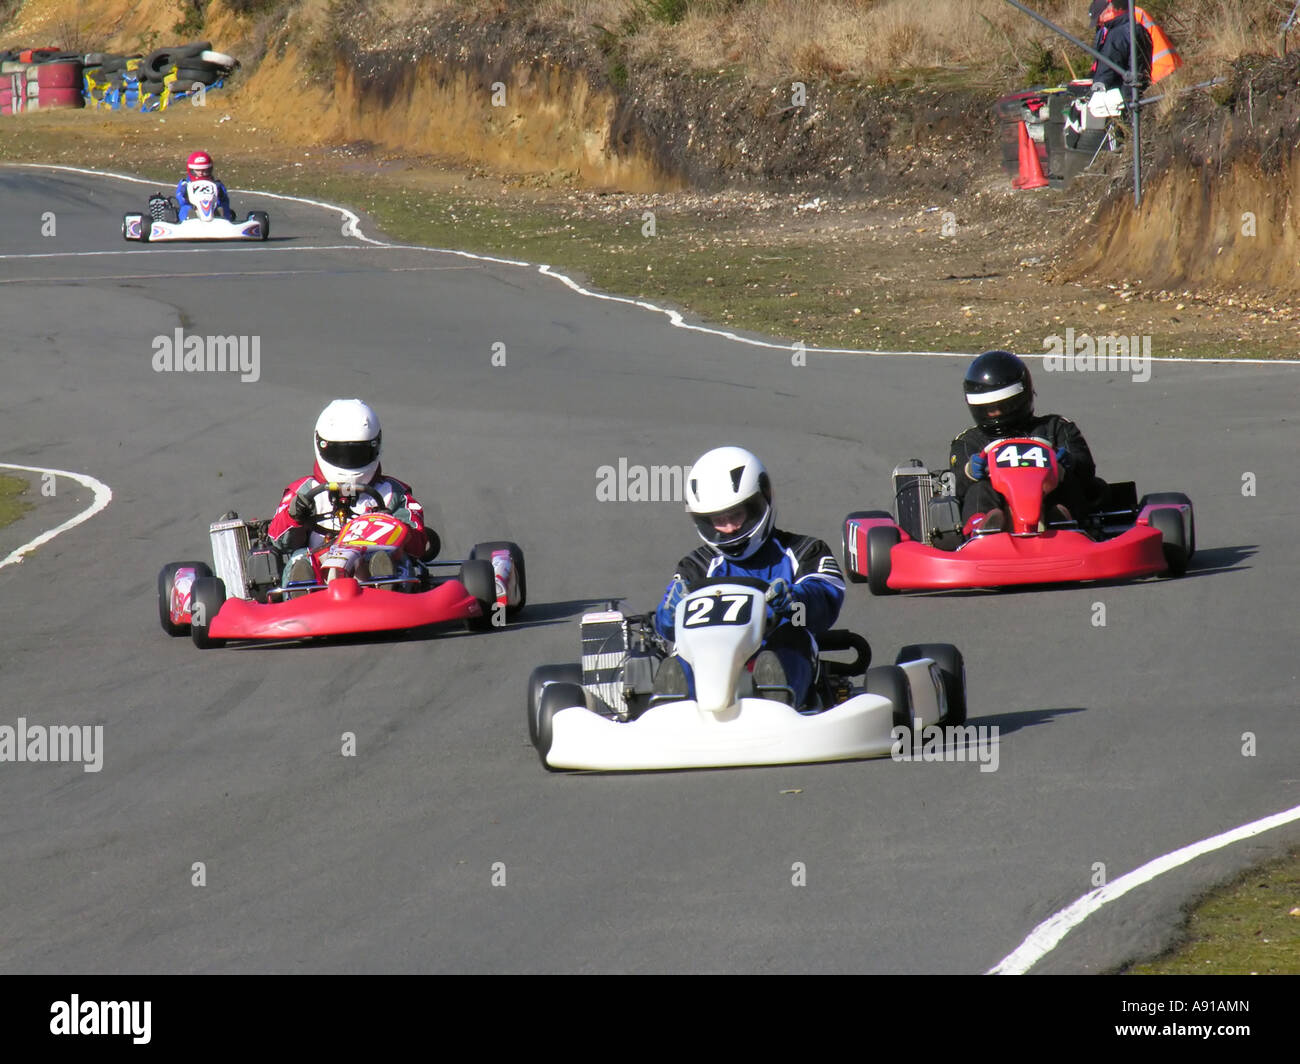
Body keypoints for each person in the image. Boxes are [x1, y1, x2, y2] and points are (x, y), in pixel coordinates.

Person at [652, 446, 846, 708]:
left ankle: (775, 699)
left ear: (761, 502)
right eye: (718, 520)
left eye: (736, 515)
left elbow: (826, 601)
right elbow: (665, 627)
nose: (730, 528)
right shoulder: (696, 566)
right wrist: (670, 613)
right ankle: (675, 706)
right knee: (682, 655)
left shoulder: (804, 551)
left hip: (780, 652)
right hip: (712, 660)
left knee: (790, 639)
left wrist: (795, 601)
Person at [267, 399, 436, 585]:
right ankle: (301, 588)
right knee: (299, 558)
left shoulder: (393, 493)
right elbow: (277, 539)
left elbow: (419, 543)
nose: (347, 461)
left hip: (372, 573)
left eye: (357, 454)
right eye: (339, 453)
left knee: (388, 558)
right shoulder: (303, 491)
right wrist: (294, 517)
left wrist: (392, 526)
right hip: (320, 578)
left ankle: (387, 583)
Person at [949, 351, 1097, 532]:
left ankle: (1063, 520)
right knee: (979, 486)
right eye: (988, 409)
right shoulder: (969, 441)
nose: (996, 413)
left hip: (1048, 501)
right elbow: (954, 485)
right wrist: (970, 471)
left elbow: (1087, 471)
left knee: (1065, 480)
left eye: (1003, 406)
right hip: (999, 512)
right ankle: (982, 527)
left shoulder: (1055, 427)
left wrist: (1070, 463)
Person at [1088, 1, 1154, 93]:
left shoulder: (1116, 35)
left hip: (1122, 95)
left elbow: (1108, 69)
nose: (1100, 23)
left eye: (1099, 19)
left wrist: (1097, 88)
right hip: (1140, 90)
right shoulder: (1138, 28)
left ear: (1109, 11)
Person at [175, 150, 235, 221]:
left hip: (213, 209)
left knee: (222, 207)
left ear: (209, 170)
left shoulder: (216, 184)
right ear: (191, 170)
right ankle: (189, 219)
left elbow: (225, 199)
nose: (201, 173)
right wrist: (184, 197)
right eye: (197, 170)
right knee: (186, 208)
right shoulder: (186, 184)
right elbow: (180, 196)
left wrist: (220, 197)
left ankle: (222, 219)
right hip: (194, 208)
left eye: (204, 171)